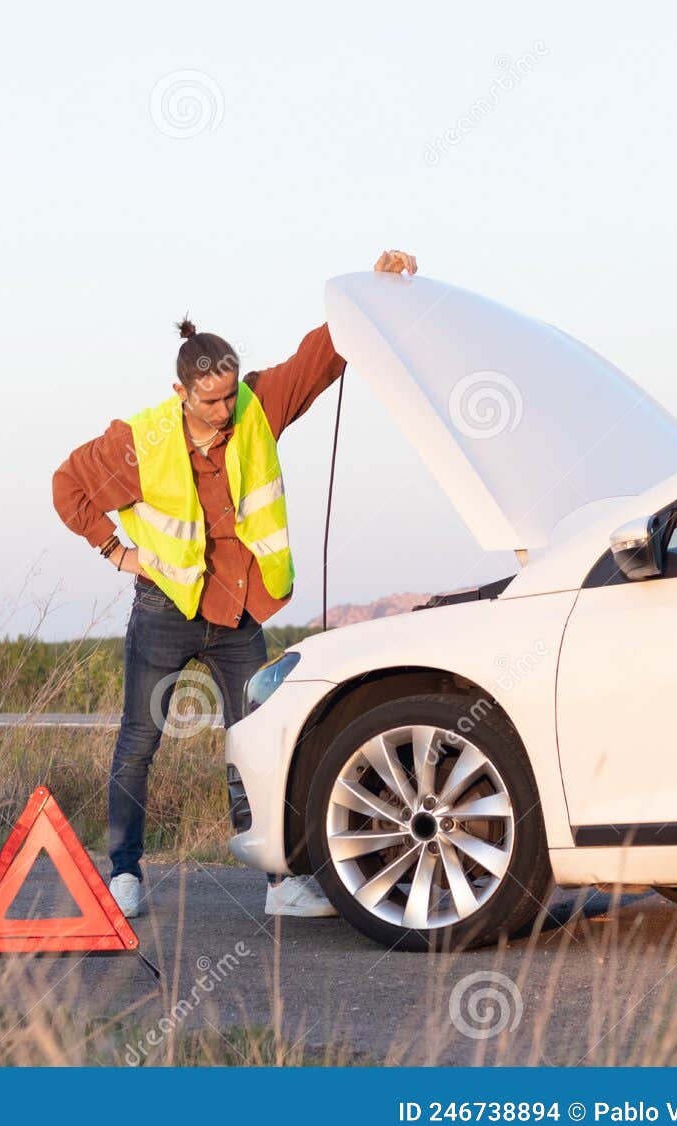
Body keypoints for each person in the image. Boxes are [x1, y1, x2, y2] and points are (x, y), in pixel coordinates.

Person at [51, 248, 420, 917]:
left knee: (259, 743)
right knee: (139, 741)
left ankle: (280, 883)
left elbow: (320, 356)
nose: (224, 410)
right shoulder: (140, 440)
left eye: (229, 395)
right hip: (165, 608)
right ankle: (124, 874)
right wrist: (116, 552)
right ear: (181, 394)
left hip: (237, 612)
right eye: (211, 400)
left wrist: (376, 286)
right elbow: (68, 485)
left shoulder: (257, 406)